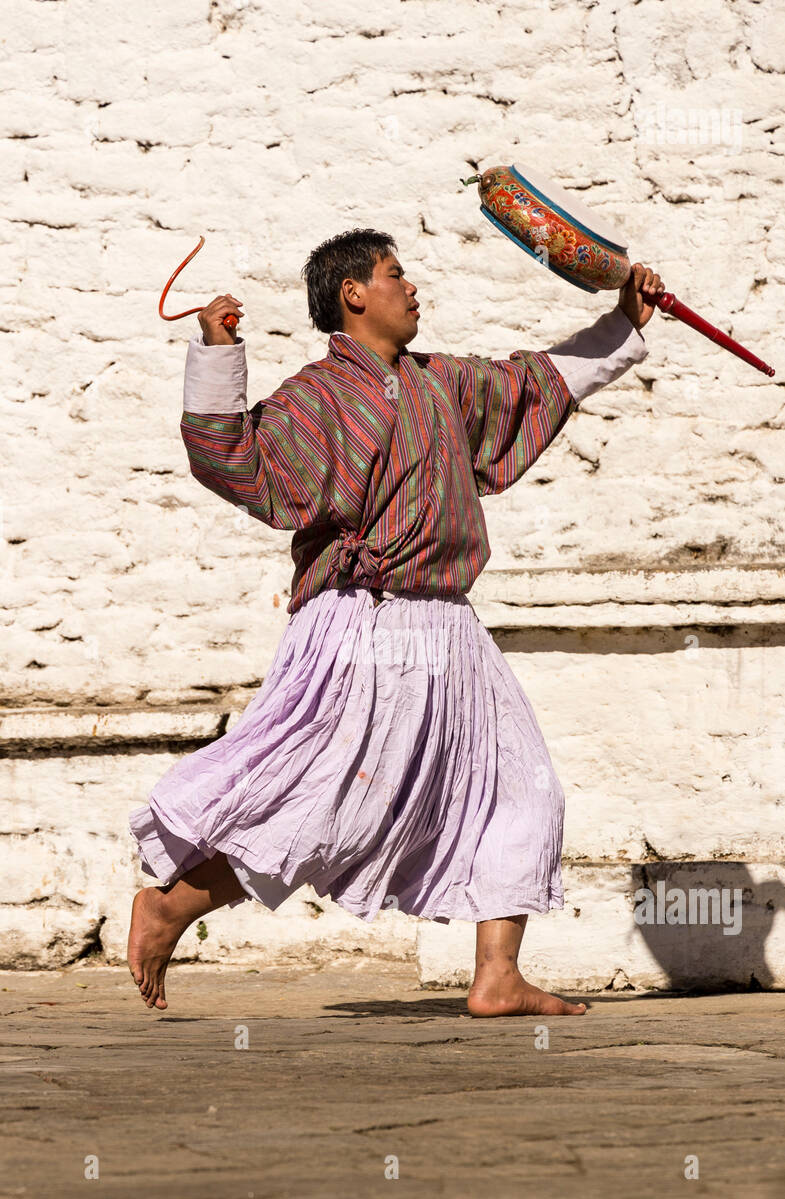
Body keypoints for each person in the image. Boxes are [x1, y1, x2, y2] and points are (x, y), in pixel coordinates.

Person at [127, 229, 663, 1014]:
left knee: (521, 787)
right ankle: (173, 903)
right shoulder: (316, 396)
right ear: (352, 294)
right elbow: (231, 458)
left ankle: (497, 975)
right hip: (363, 621)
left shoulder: (441, 382)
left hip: (449, 622)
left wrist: (625, 320)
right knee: (331, 797)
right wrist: (216, 353)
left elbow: (536, 383)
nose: (410, 287)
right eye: (393, 274)